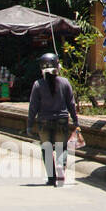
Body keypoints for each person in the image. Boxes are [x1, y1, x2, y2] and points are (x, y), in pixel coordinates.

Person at [25, 52, 78, 188]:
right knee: (61, 148)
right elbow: (71, 104)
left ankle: (51, 178)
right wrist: (75, 121)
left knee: (46, 149)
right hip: (62, 120)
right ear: (57, 66)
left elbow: (33, 107)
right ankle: (61, 166)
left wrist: (29, 125)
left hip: (44, 122)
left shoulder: (37, 84)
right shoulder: (65, 82)